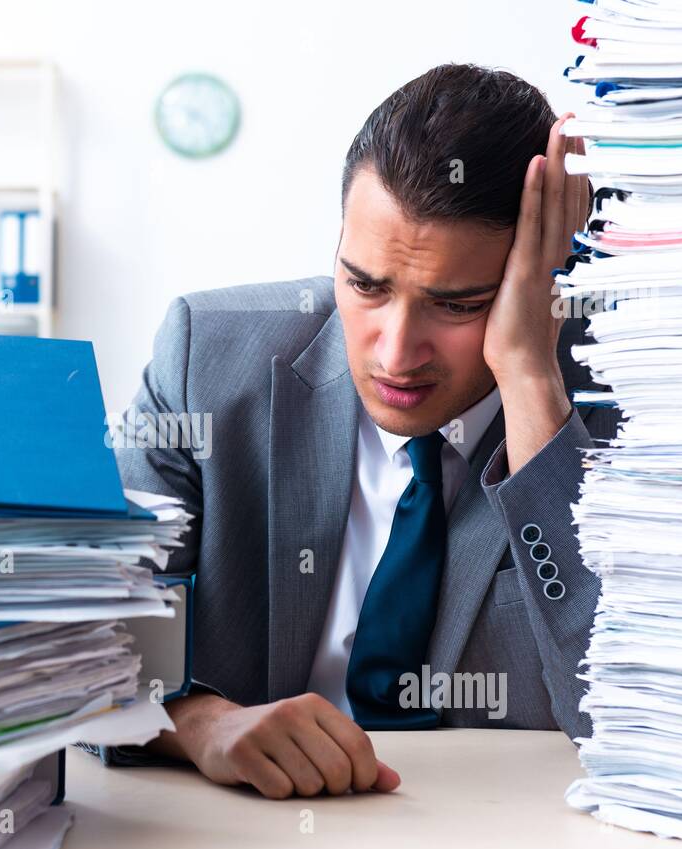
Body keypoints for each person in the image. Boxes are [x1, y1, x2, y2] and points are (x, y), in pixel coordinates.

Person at [98, 63, 618, 800]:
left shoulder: (610, 403)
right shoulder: (204, 362)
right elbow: (78, 650)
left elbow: (625, 715)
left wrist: (529, 378)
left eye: (457, 304)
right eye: (367, 285)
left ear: (537, 285)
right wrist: (200, 723)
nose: (396, 352)